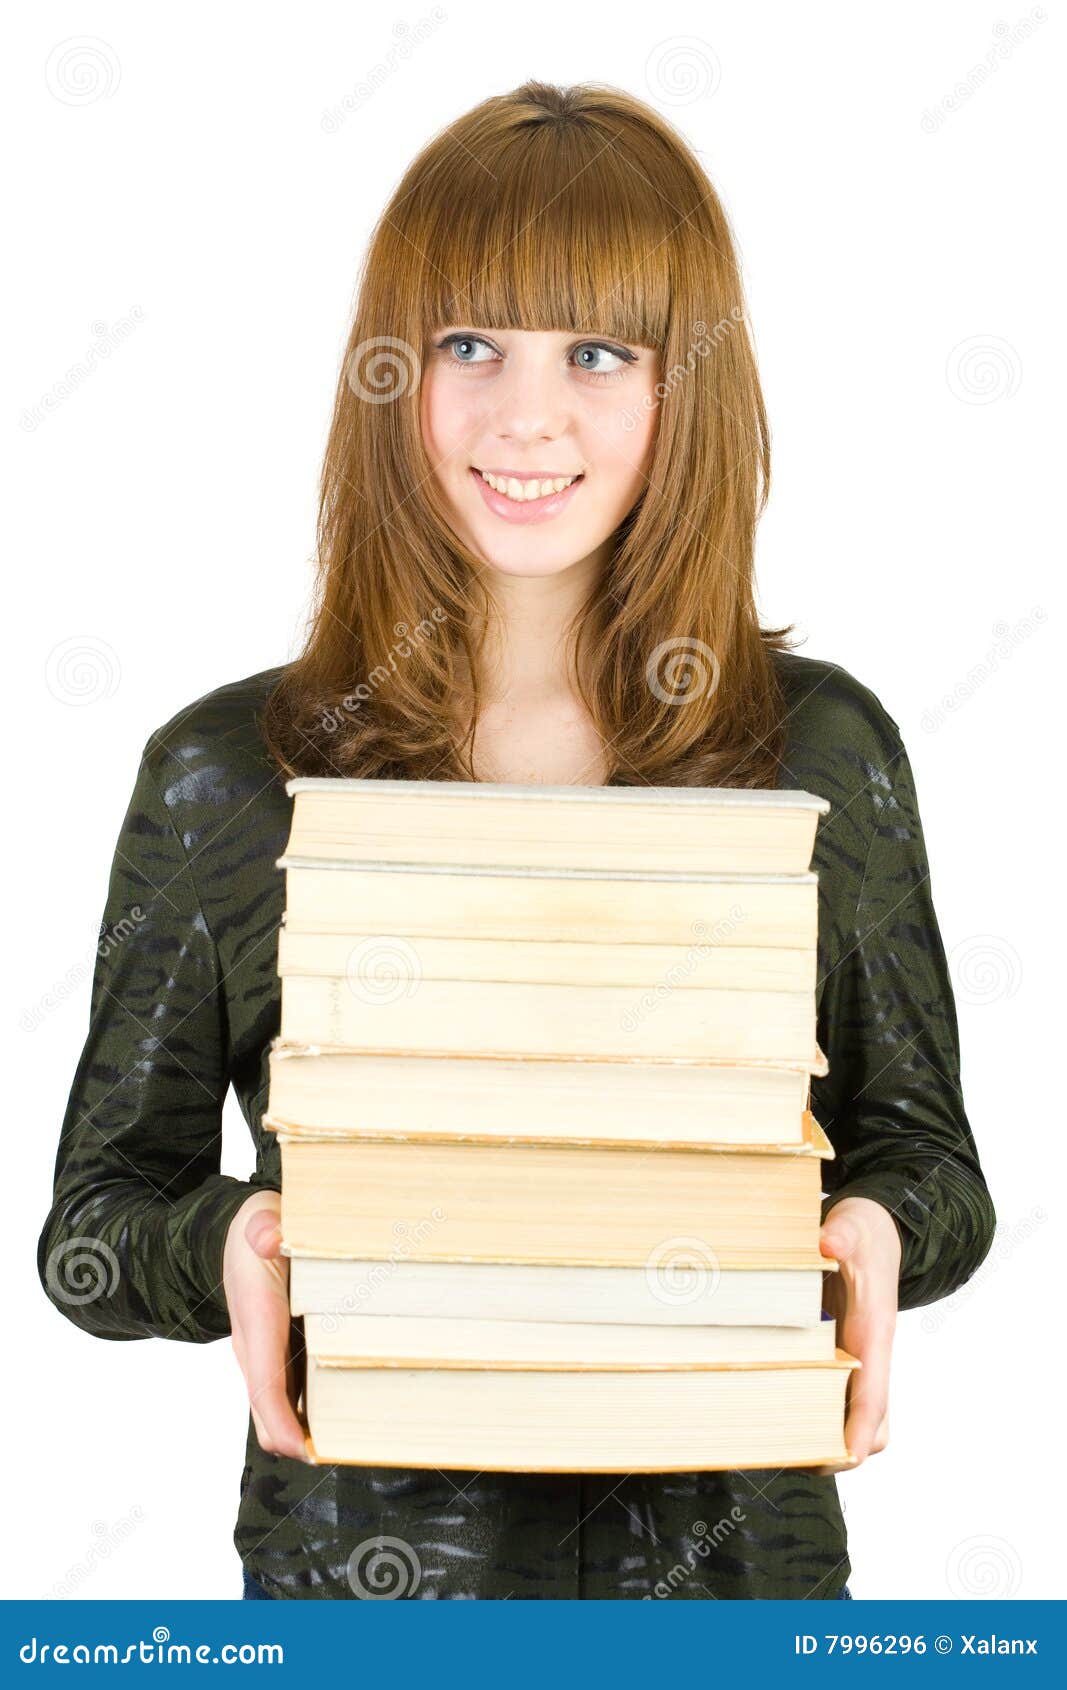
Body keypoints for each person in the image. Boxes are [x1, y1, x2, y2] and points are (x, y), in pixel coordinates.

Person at [38, 80, 995, 1600]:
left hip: (732, 1589)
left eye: (597, 354)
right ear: (391, 371)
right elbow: (93, 1223)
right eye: (468, 343)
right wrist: (231, 1238)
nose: (524, 416)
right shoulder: (228, 773)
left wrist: (878, 1226)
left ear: (688, 386)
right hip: (371, 1591)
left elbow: (929, 1161)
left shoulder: (818, 753)